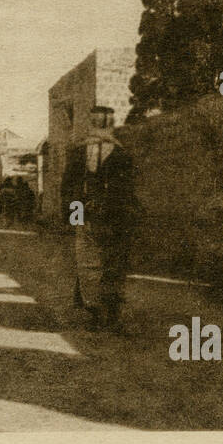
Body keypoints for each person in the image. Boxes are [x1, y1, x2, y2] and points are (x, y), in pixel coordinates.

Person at [82, 130, 139, 332]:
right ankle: (102, 312)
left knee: (101, 266)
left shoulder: (121, 156)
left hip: (112, 220)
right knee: (102, 266)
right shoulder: (87, 157)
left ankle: (106, 313)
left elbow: (129, 190)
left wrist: (76, 221)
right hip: (106, 220)